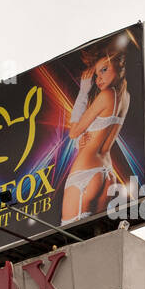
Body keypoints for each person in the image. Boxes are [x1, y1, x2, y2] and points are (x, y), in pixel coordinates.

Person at [61, 44, 129, 224]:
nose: (99, 79)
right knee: (97, 236)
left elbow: (74, 132)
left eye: (104, 70)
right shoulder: (125, 97)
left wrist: (83, 91)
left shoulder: (106, 95)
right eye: (97, 75)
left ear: (119, 66)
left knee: (69, 235)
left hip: (84, 174)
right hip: (108, 174)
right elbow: (103, 131)